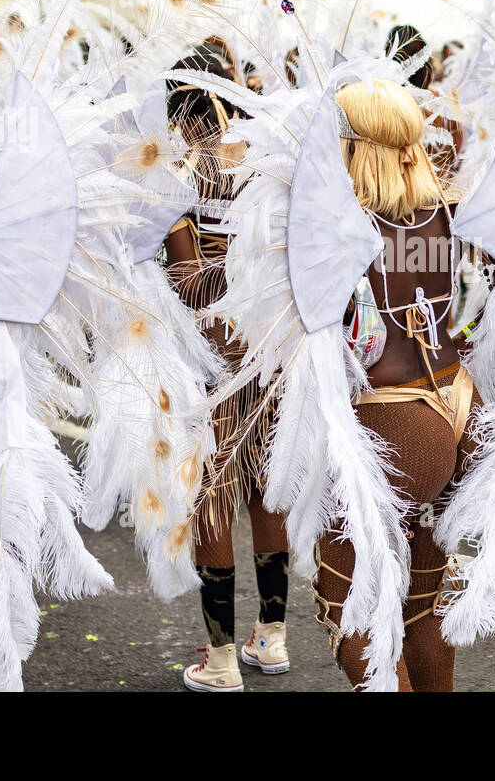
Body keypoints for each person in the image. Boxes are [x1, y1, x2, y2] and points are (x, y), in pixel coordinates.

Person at [310, 77, 480, 691]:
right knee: (422, 604)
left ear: (356, 146)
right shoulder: (443, 210)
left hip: (394, 421)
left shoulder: (345, 228)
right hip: (457, 409)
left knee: (344, 607)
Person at [164, 45, 292, 692]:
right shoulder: (267, 163)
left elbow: (187, 286)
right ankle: (271, 639)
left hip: (216, 360)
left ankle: (219, 662)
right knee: (268, 488)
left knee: (214, 501)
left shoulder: (179, 177)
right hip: (271, 353)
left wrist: (221, 262)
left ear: (184, 116)